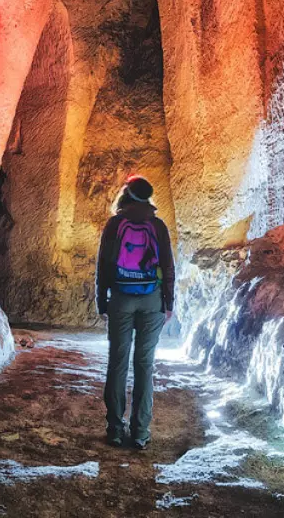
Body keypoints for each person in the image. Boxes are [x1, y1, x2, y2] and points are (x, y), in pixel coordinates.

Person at [95, 175, 175, 450]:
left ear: (126, 195)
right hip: (152, 299)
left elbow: (103, 263)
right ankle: (140, 432)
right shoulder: (157, 225)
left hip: (121, 297)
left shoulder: (116, 224)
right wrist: (169, 303)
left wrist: (102, 300)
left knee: (117, 363)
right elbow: (168, 265)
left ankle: (115, 429)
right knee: (145, 364)